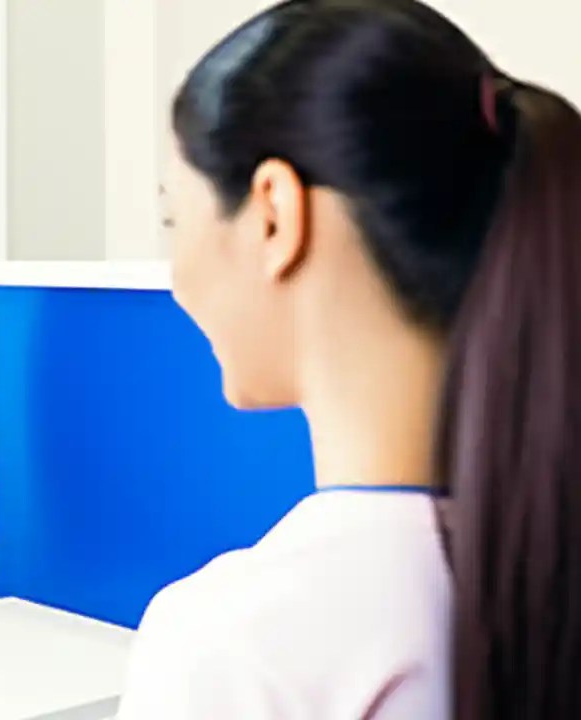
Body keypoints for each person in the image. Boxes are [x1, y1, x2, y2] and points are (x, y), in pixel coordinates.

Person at [116, 0, 581, 718]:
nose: (175, 276)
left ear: (275, 213)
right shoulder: (545, 584)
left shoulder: (238, 644)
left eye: (175, 218)